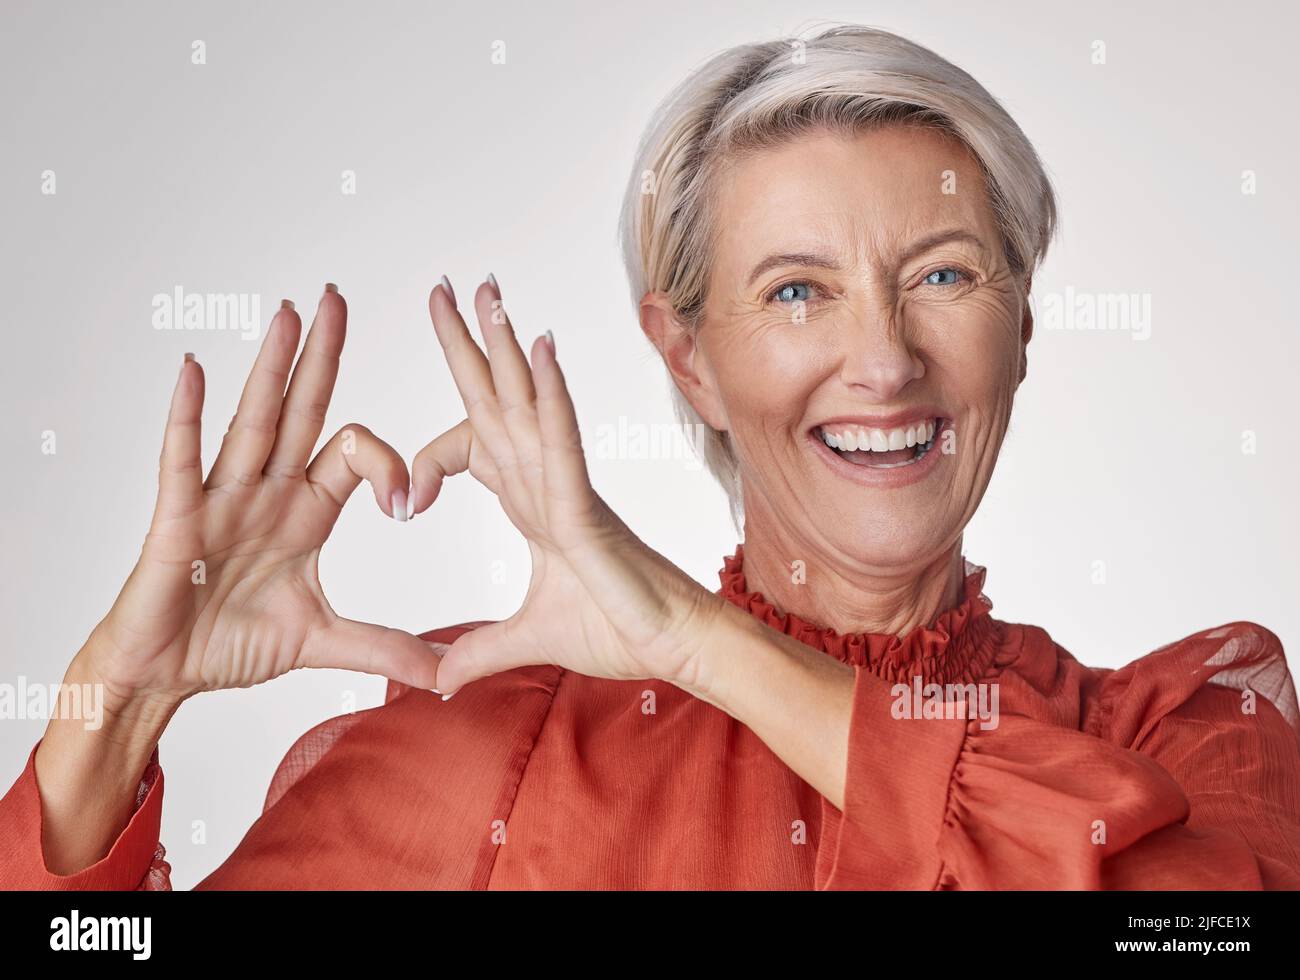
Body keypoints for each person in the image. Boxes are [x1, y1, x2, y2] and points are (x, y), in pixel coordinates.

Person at [4, 24, 1297, 890]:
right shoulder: (490, 748)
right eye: (795, 292)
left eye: (945, 274)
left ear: (1022, 323)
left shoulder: (1189, 729)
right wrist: (107, 718)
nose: (885, 359)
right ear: (688, 360)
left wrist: (701, 644)